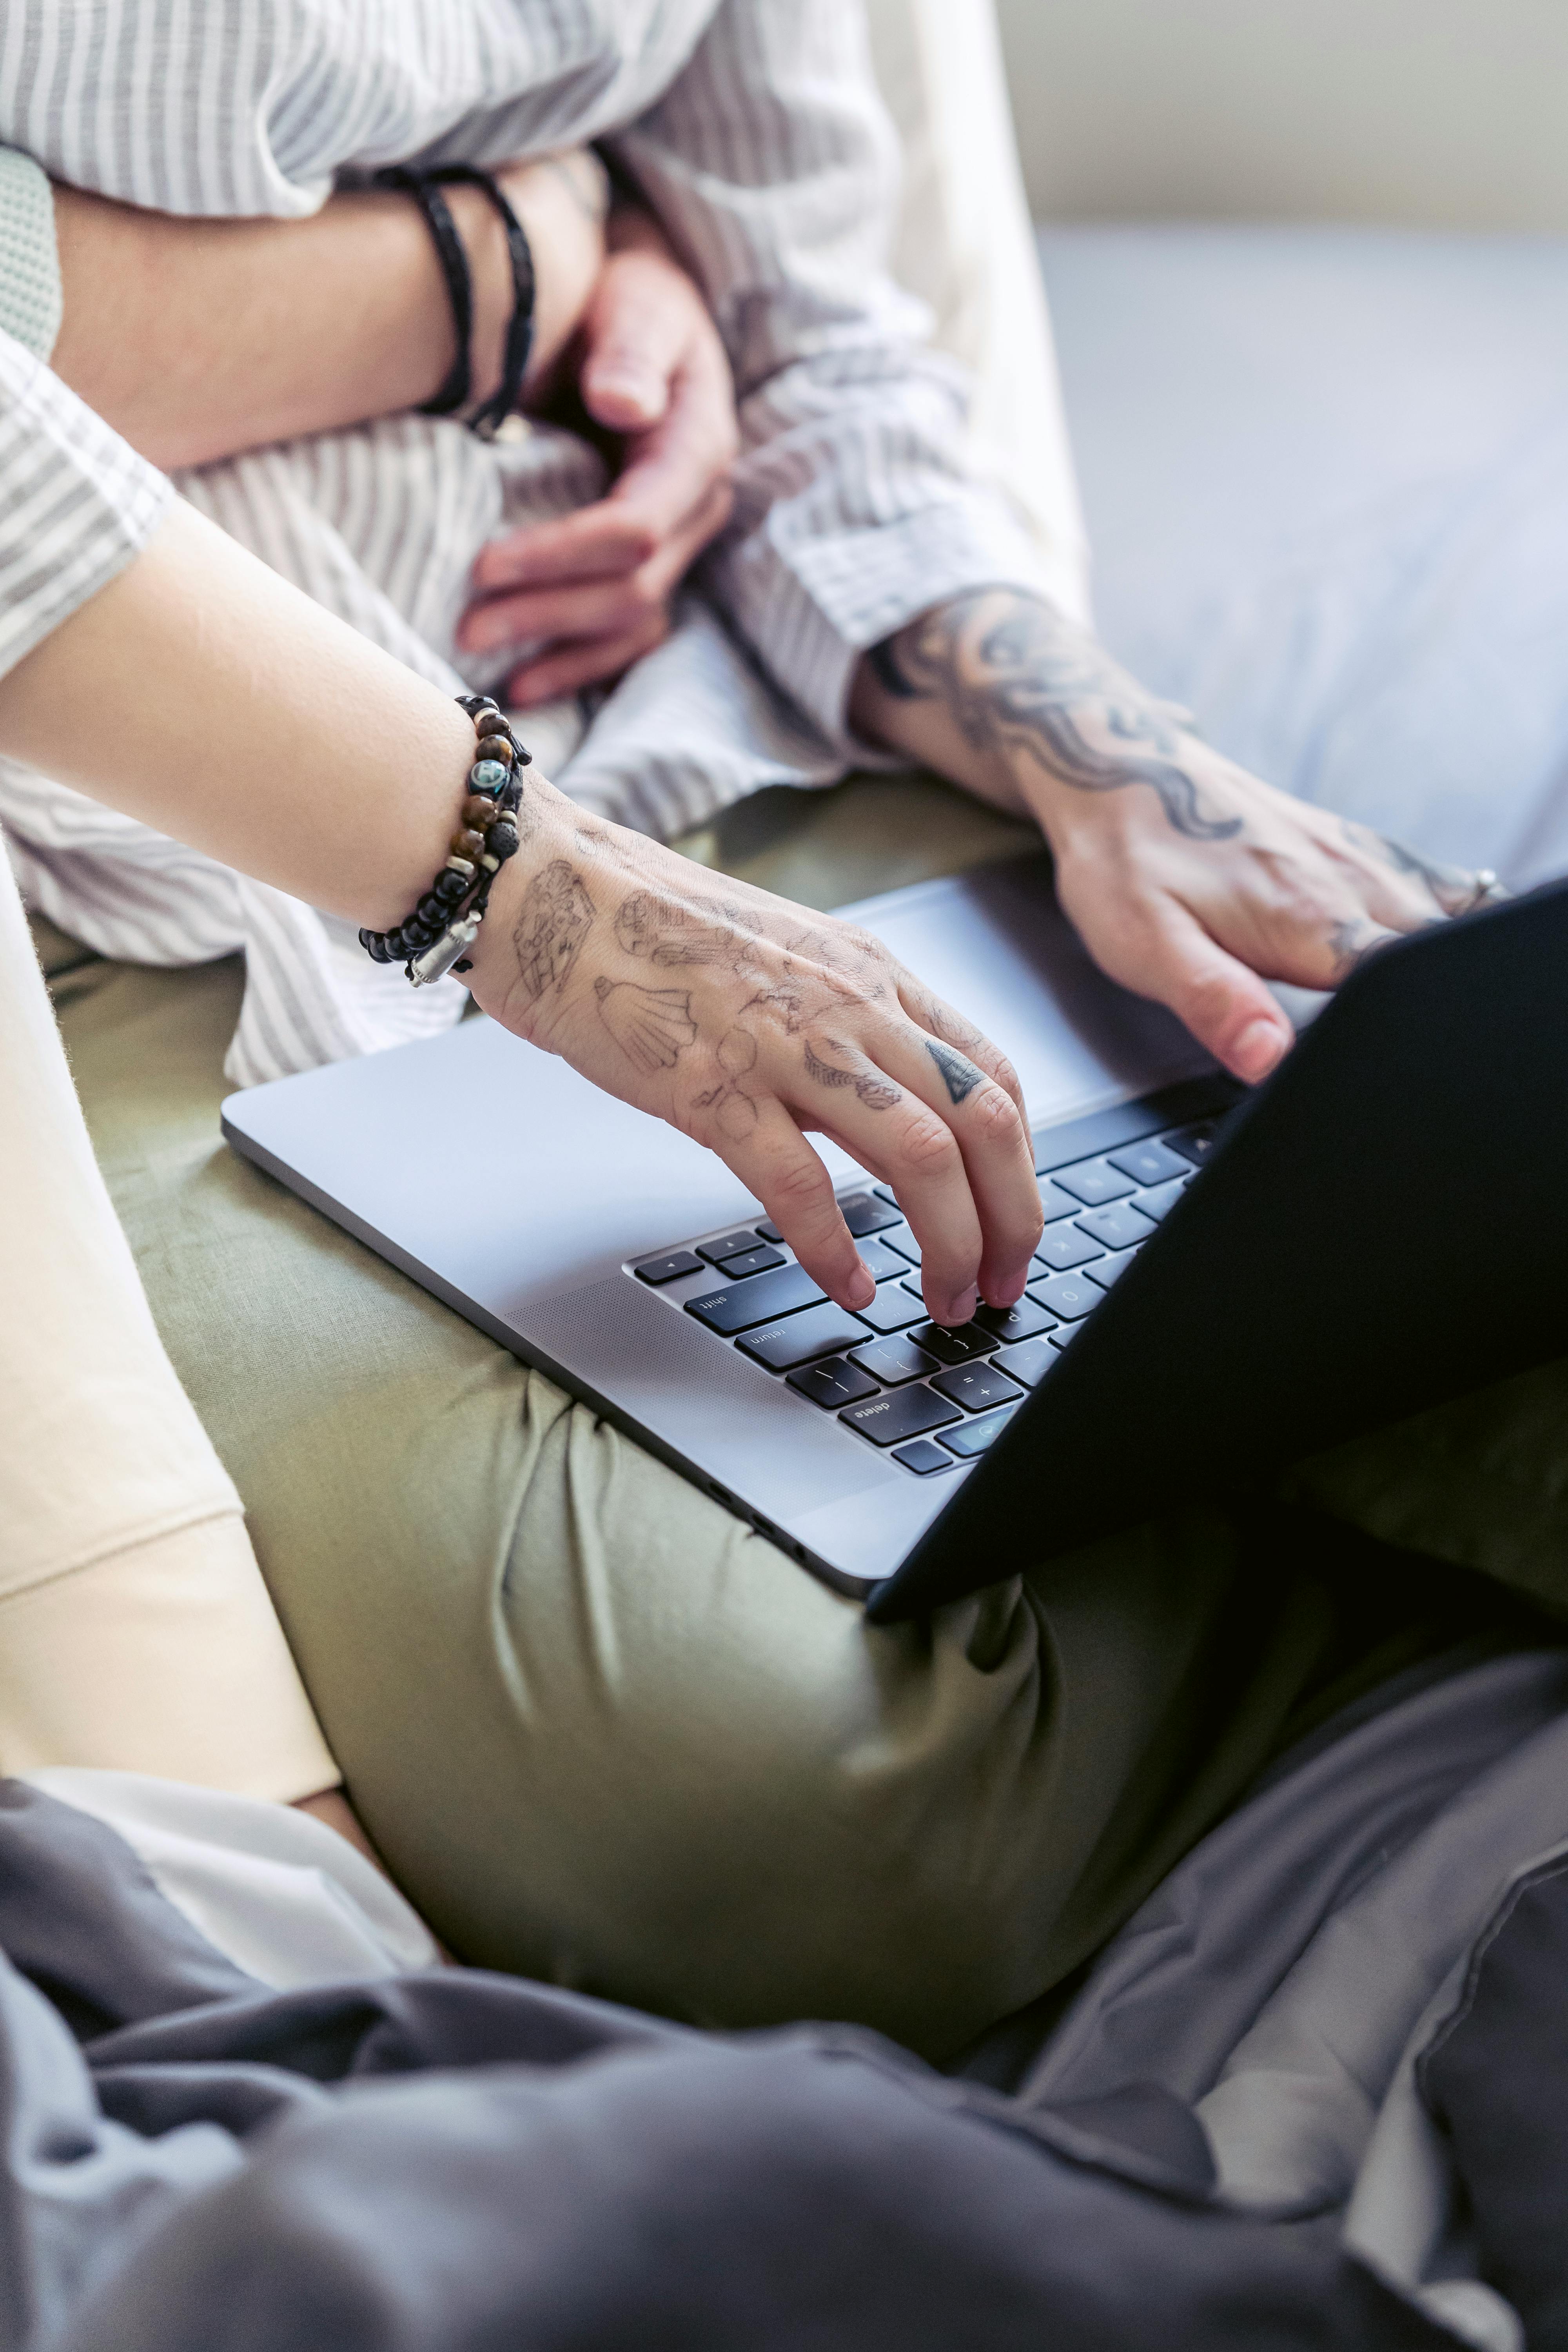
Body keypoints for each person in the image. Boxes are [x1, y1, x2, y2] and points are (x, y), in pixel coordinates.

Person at [0, 0, 1522, 2057]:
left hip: (724, 723)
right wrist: (519, 260)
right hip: (143, 894)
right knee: (785, 1802)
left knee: (1492, 1166)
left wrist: (1108, 762)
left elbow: (815, 319)